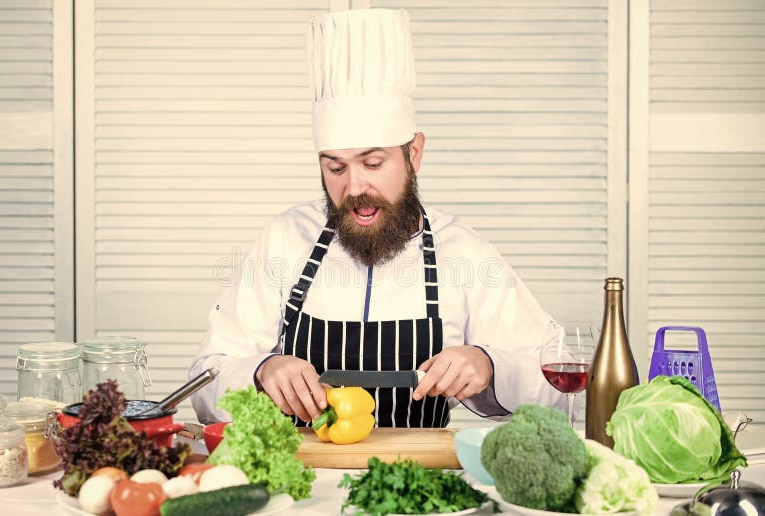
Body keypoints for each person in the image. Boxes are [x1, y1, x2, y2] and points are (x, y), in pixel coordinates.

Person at [190, 8, 565, 426]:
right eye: (335, 168)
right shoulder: (283, 239)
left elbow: (563, 386)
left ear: (414, 154)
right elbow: (205, 382)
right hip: (300, 480)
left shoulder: (466, 253)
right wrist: (259, 373)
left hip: (418, 481)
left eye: (372, 164)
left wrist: (492, 365)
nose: (353, 189)